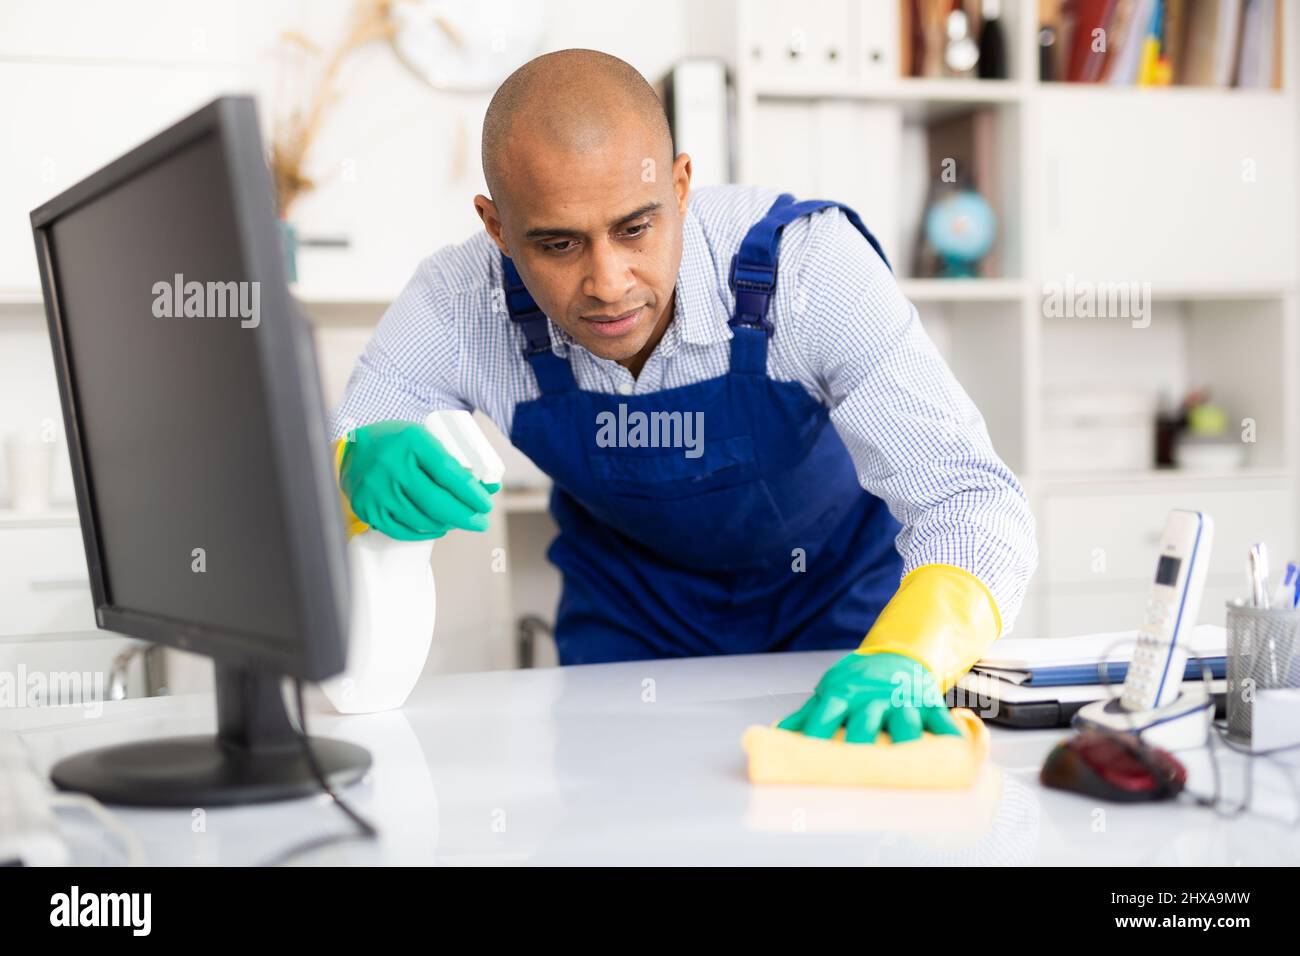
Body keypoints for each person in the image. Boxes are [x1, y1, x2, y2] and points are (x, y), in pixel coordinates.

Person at [331, 49, 1037, 744]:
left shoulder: (808, 266)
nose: (608, 282)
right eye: (557, 245)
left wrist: (908, 657)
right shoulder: (459, 303)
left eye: (635, 228)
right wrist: (349, 465)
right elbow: (334, 458)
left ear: (680, 185)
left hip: (844, 611)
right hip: (629, 621)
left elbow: (969, 497)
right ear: (497, 228)